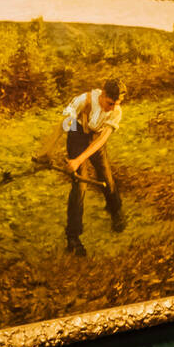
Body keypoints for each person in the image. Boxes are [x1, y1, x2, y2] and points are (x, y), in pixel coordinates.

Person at [59, 78, 125, 256]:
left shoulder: (116, 111)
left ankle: (116, 211)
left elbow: (102, 140)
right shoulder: (83, 100)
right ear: (102, 94)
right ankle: (73, 238)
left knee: (106, 177)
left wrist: (78, 160)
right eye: (110, 103)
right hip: (77, 136)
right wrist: (70, 153)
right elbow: (65, 122)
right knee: (79, 186)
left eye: (116, 104)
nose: (112, 108)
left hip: (96, 140)